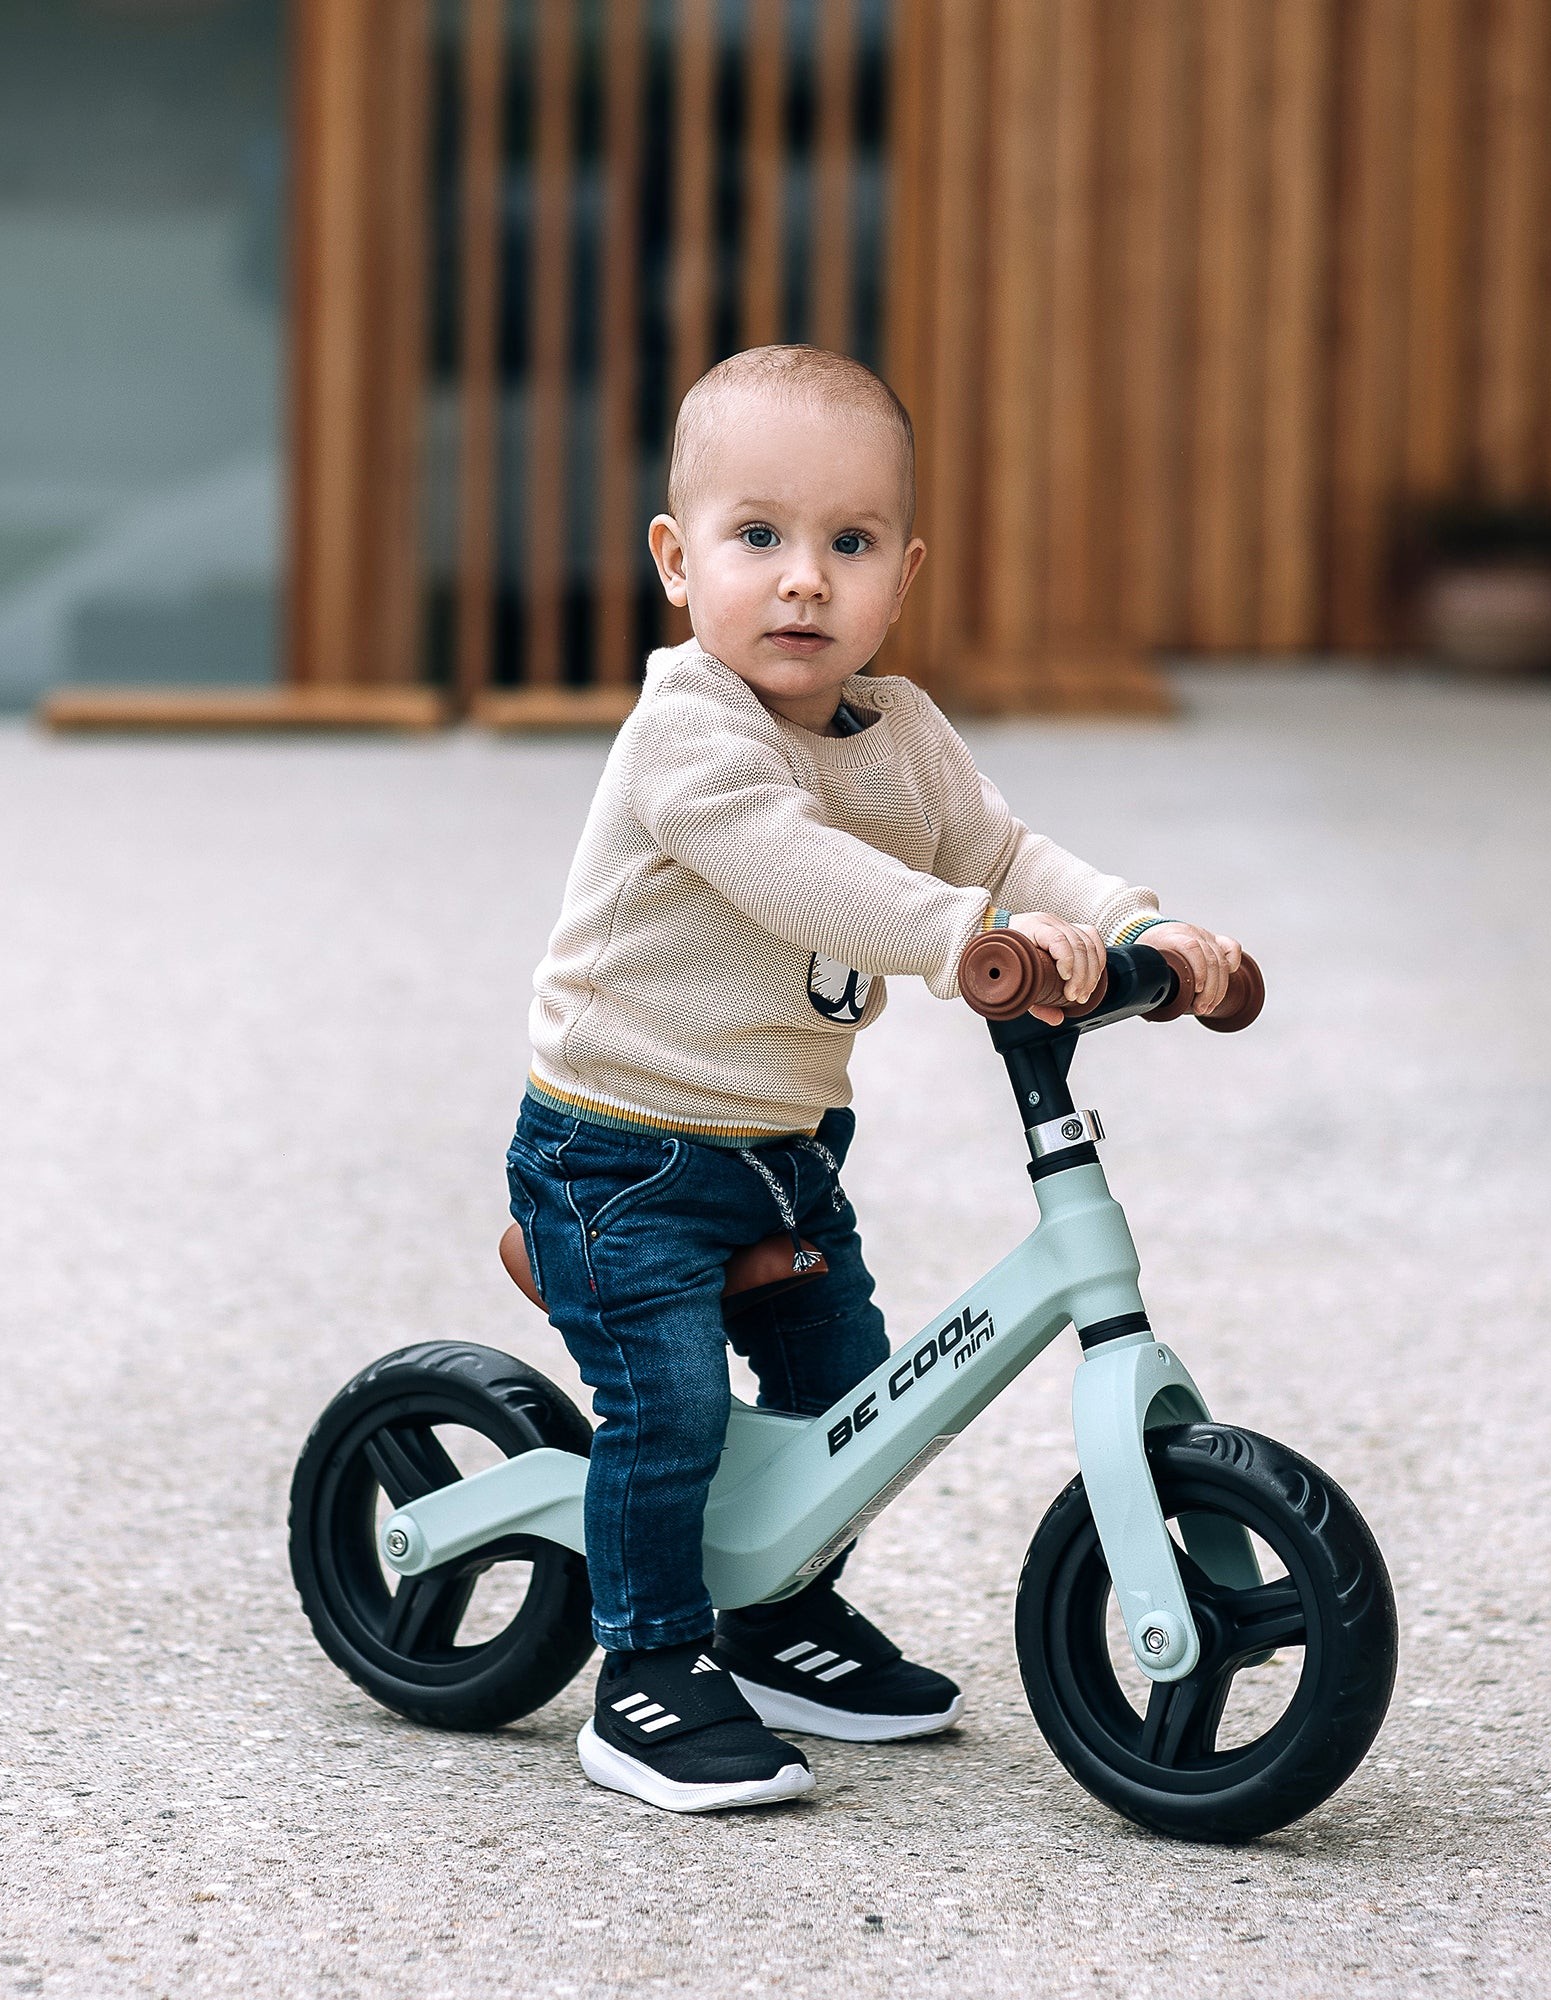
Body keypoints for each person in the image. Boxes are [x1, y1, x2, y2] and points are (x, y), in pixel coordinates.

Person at [505, 345, 1243, 1813]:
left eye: (847, 546)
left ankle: (773, 1617)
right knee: (672, 1412)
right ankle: (648, 1671)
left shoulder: (900, 734)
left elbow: (1009, 854)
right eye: (758, 537)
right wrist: (970, 940)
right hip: (620, 1150)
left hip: (780, 1147)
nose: (802, 581)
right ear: (676, 559)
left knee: (851, 1392)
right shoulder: (688, 735)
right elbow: (802, 873)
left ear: (900, 578)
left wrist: (1138, 926)